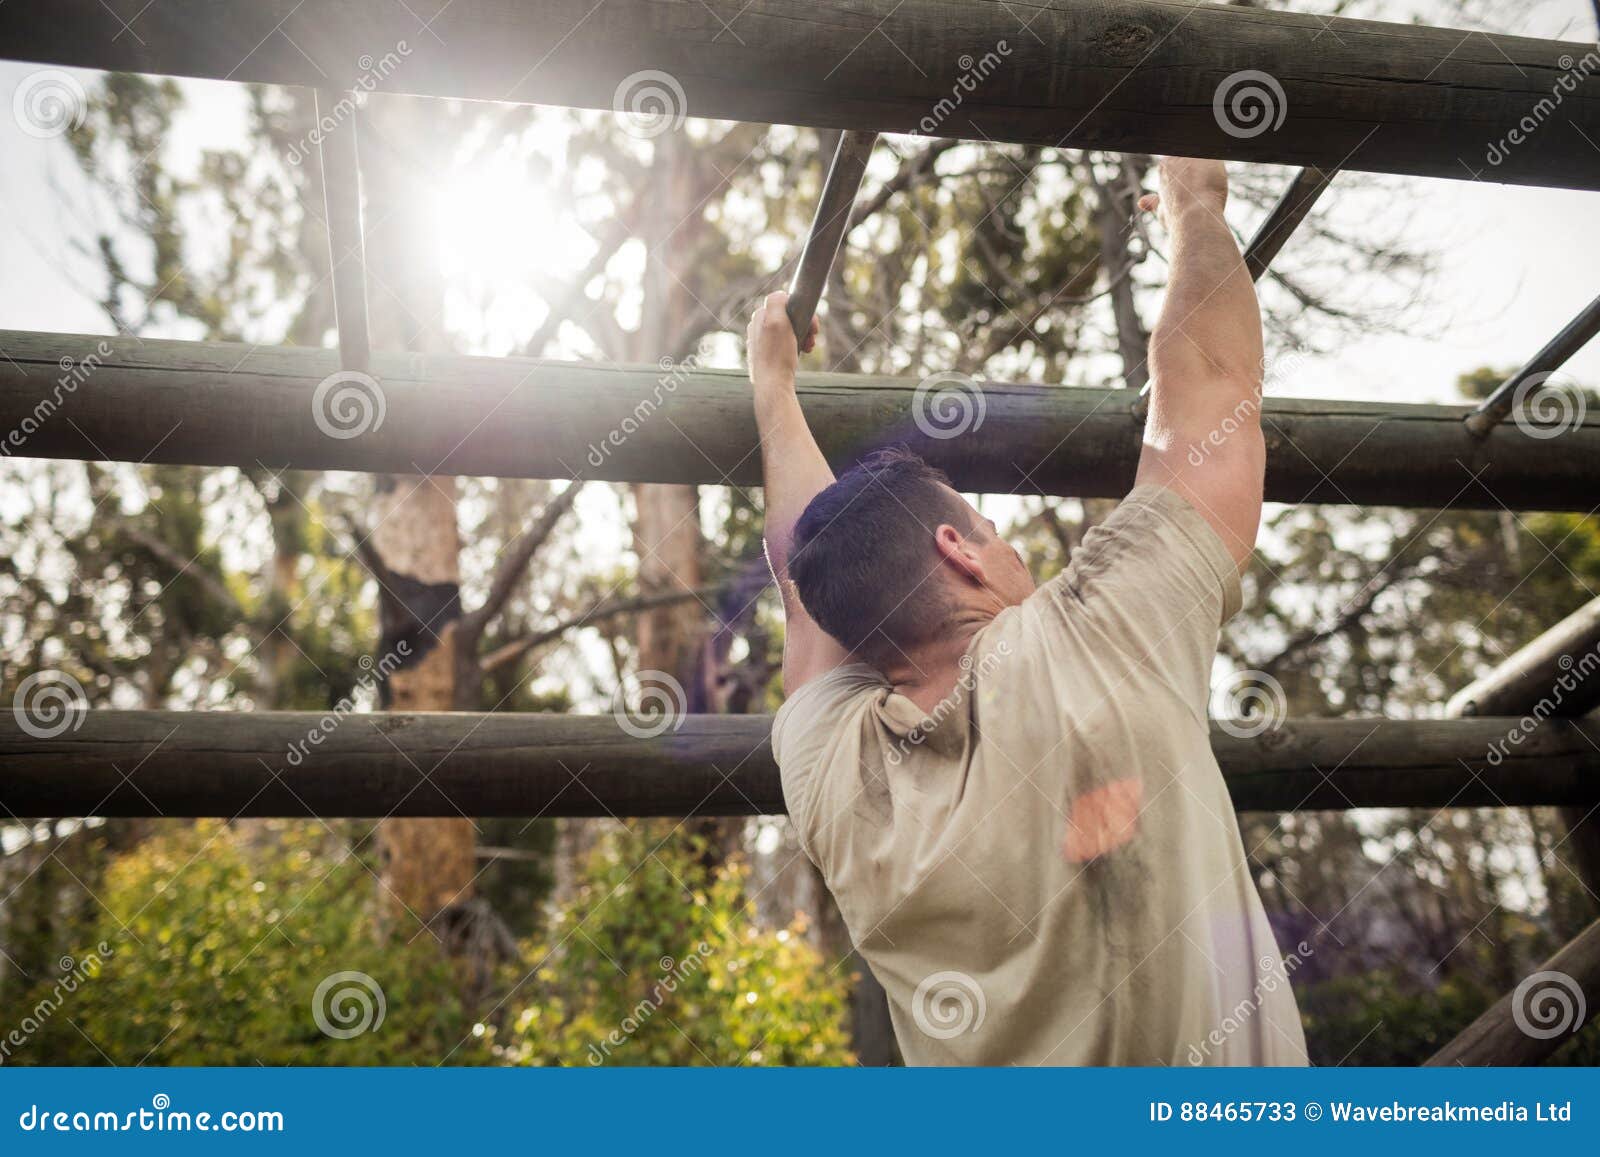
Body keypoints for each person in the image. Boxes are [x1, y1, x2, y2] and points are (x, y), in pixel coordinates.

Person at [745, 157, 1308, 1066]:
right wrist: (1196, 204)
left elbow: (803, 591)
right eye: (991, 529)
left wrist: (770, 388)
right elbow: (1203, 373)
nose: (1012, 548)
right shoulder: (1098, 630)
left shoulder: (836, 781)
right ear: (957, 551)